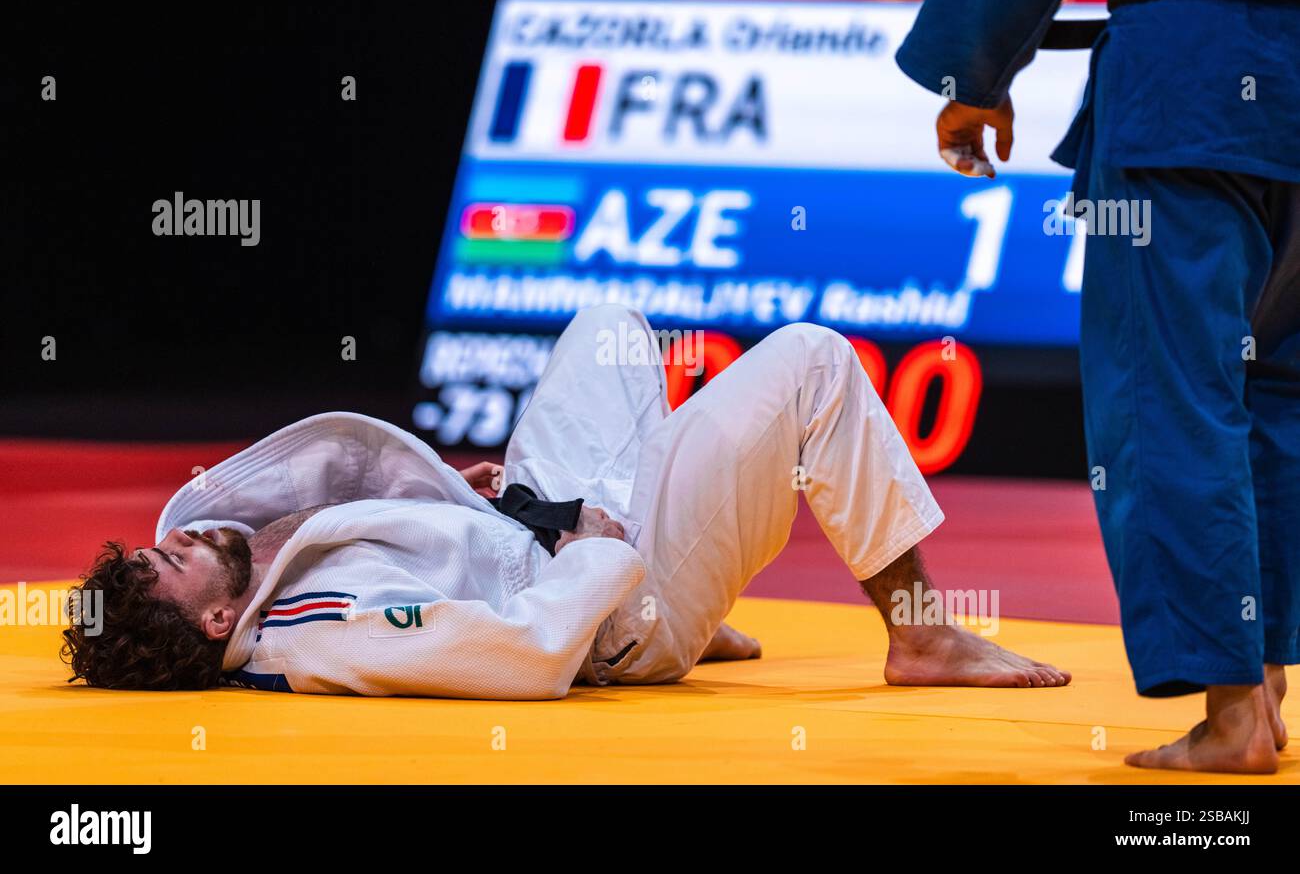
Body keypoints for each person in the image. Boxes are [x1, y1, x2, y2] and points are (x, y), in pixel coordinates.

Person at [63, 304, 1070, 698]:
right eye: (171, 561)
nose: (185, 535)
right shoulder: (329, 634)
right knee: (810, 362)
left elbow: (430, 567)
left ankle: (690, 587)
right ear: (213, 617)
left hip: (535, 532)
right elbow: (527, 653)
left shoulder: (282, 589)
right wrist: (596, 549)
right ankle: (921, 633)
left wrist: (444, 506)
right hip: (611, 620)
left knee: (608, 329)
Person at [895, 0, 1300, 772]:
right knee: (1279, 393)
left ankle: (1232, 719)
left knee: (1176, 403)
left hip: (1189, 83)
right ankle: (1261, 683)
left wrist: (975, 69)